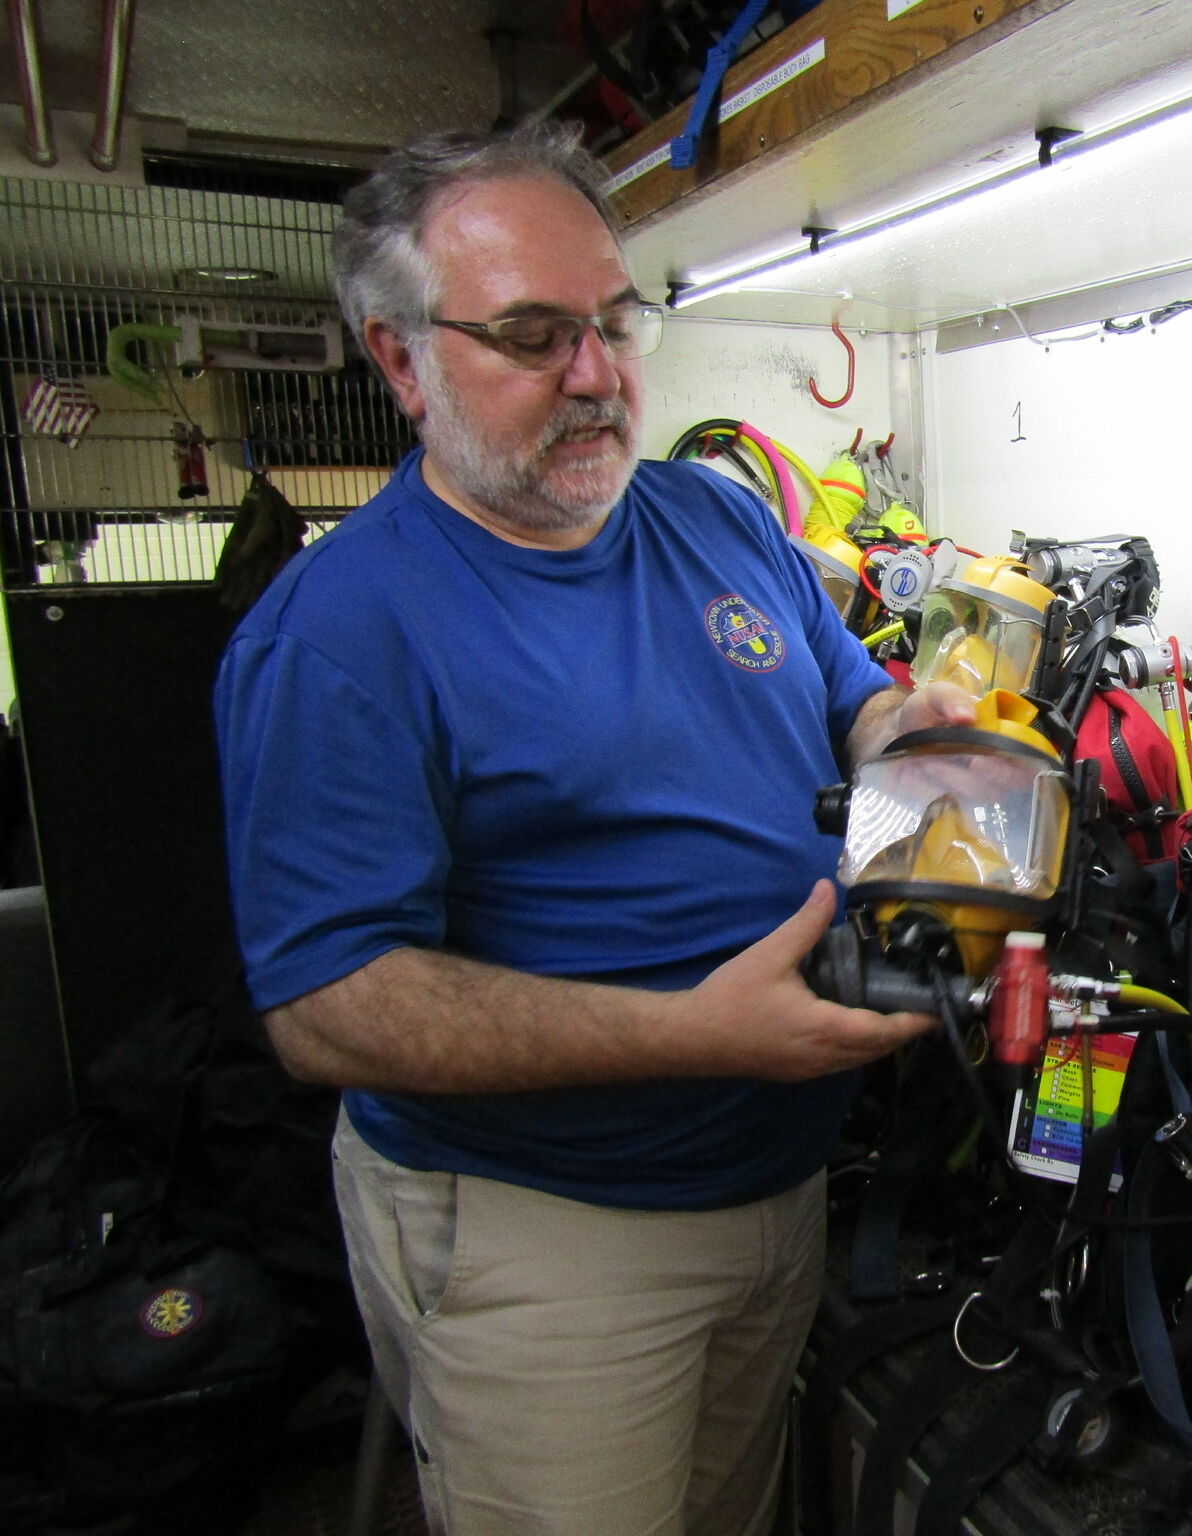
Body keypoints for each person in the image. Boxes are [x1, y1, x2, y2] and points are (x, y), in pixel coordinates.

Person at [213, 122, 966, 1534]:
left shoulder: (719, 525)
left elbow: (850, 699)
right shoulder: (340, 635)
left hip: (776, 1185)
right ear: (398, 359)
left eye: (616, 322)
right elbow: (330, 1006)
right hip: (543, 1236)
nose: (598, 376)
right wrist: (686, 1035)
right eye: (533, 334)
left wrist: (906, 737)